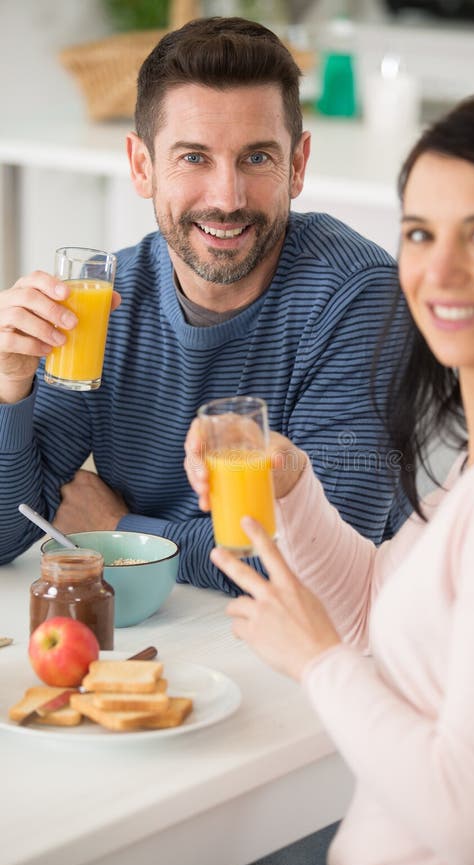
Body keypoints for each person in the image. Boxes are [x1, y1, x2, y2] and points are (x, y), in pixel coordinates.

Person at [185, 93, 474, 865]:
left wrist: (317, 663)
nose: (439, 271)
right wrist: (295, 487)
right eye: (419, 234)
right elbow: (382, 609)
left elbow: (473, 814)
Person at [0, 17, 409, 590]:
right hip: (170, 625)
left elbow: (331, 557)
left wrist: (123, 530)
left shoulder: (360, 298)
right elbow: (12, 530)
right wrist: (9, 387)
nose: (226, 198)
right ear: (143, 167)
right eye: (193, 158)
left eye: (257, 158)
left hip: (332, 644)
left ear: (297, 165)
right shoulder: (109, 305)